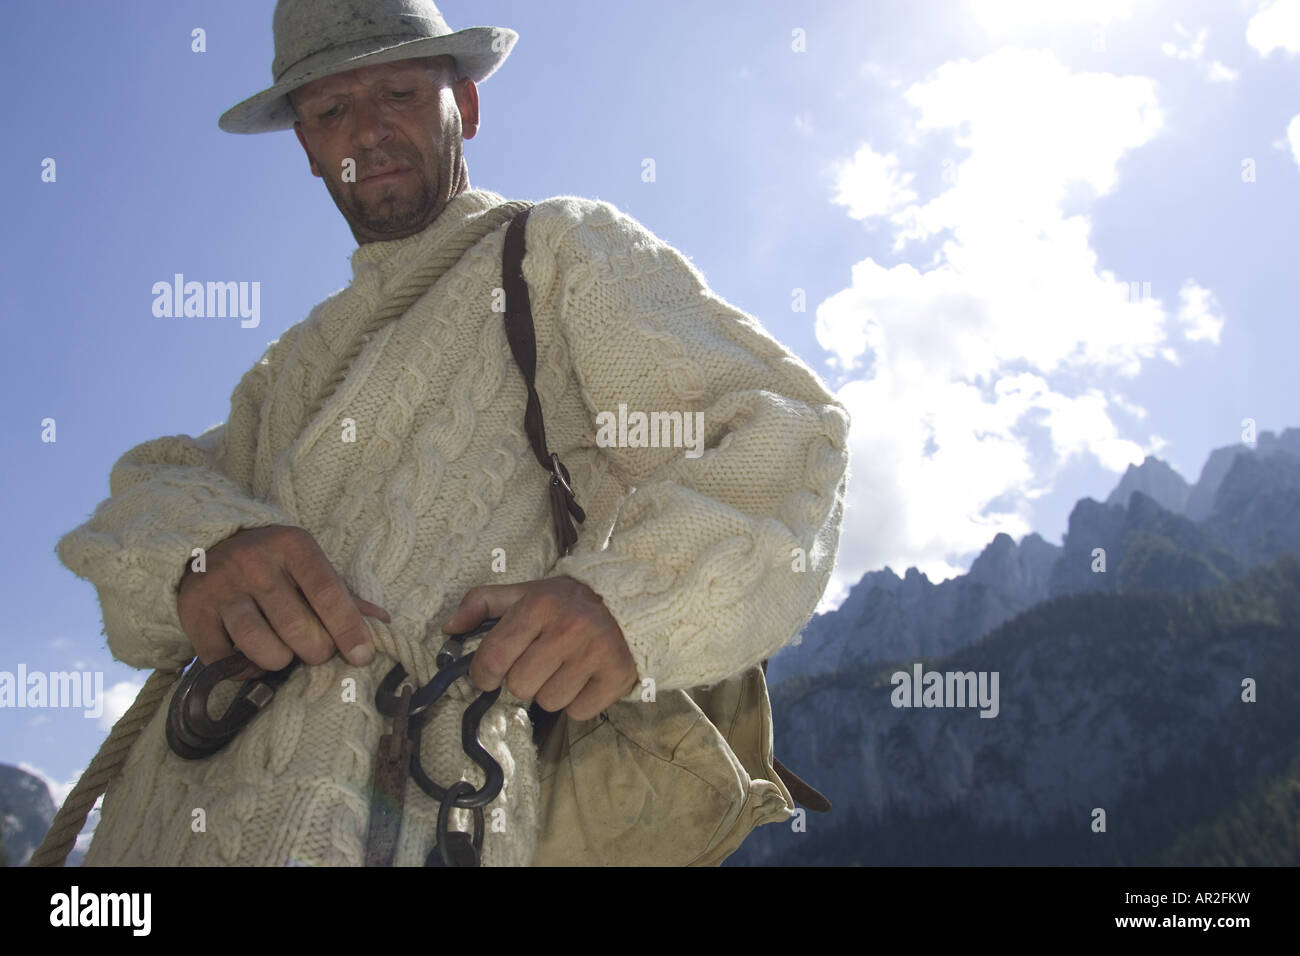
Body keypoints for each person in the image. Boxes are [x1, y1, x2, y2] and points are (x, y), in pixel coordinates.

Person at [51, 0, 850, 866]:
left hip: (417, 817)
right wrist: (204, 554)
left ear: (463, 107)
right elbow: (140, 499)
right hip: (150, 836)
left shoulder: (557, 253)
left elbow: (783, 433)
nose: (367, 129)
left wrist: (631, 606)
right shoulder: (281, 377)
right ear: (307, 149)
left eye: (397, 90)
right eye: (329, 110)